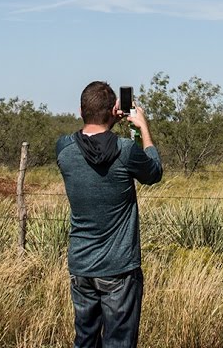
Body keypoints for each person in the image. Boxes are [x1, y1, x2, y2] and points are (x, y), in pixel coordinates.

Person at [56, 81, 163, 348]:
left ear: (81, 111)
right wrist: (143, 129)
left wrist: (107, 121)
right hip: (120, 268)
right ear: (114, 111)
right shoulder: (126, 151)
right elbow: (154, 172)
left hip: (81, 264)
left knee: (85, 340)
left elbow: (93, 142)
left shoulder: (64, 150)